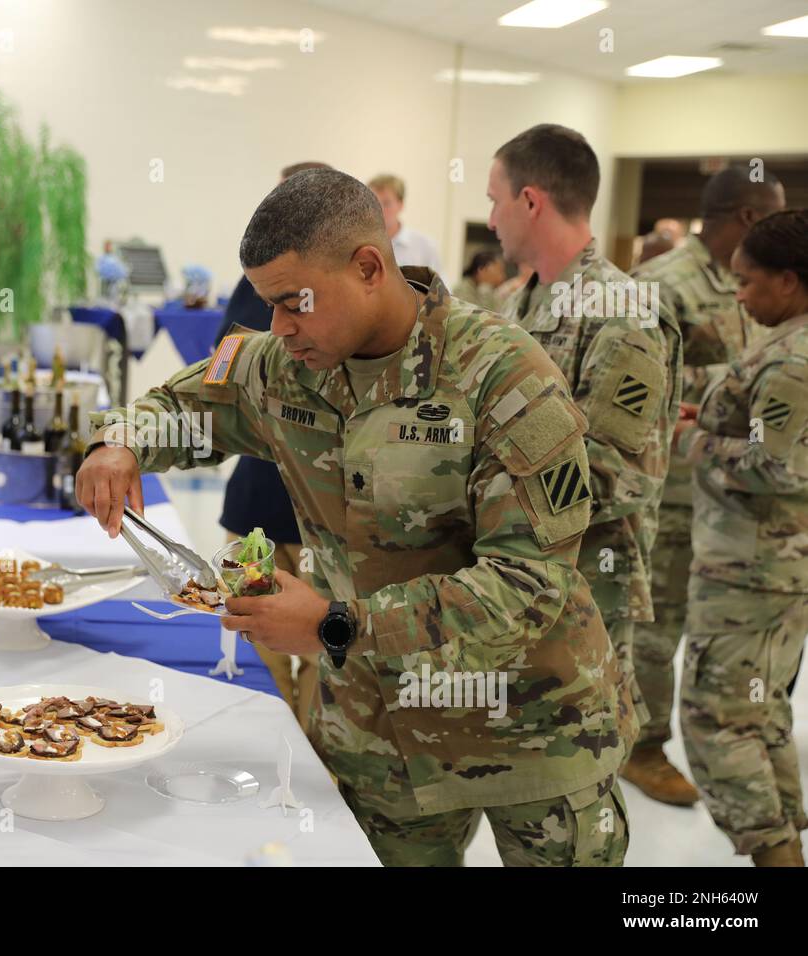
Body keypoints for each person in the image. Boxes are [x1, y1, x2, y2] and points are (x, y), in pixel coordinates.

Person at [78, 168, 637, 866]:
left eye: (293, 303)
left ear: (369, 267)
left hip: (530, 731)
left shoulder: (501, 376)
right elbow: (187, 403)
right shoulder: (285, 365)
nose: (278, 327)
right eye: (267, 305)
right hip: (380, 744)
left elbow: (528, 587)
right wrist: (118, 441)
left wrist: (334, 623)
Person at [488, 124, 683, 758]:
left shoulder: (625, 313)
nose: (490, 219)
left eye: (495, 200)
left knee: (574, 786)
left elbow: (616, 475)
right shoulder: (523, 306)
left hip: (584, 594)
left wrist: (483, 488)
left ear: (531, 201)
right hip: (515, 579)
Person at [626, 167, 786, 805]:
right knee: (659, 621)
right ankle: (643, 745)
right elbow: (636, 391)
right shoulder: (663, 286)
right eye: (774, 212)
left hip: (739, 490)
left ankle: (734, 733)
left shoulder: (762, 282)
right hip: (675, 487)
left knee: (721, 623)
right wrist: (749, 390)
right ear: (749, 216)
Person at [672, 209, 808, 866]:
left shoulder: (792, 358)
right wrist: (721, 416)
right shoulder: (790, 342)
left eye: (750, 283)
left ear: (789, 280)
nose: (740, 297)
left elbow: (779, 466)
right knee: (762, 710)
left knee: (716, 720)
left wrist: (697, 440)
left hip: (749, 573)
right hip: (775, 571)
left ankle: (773, 854)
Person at [215, 160, 330, 727]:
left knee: (324, 665)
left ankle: (313, 782)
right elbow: (220, 369)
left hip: (323, 517)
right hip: (258, 499)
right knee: (255, 653)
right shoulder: (252, 282)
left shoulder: (339, 295)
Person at [367, 174, 445, 279]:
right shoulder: (358, 244)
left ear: (401, 205)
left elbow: (441, 290)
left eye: (386, 203)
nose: (378, 209)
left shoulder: (425, 247)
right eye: (373, 202)